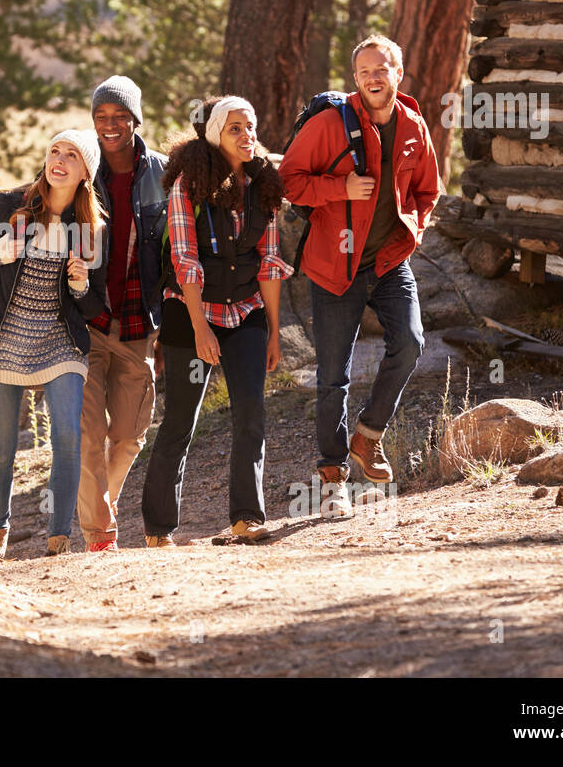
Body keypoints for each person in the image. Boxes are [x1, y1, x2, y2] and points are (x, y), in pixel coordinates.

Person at [279, 34, 441, 518]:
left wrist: (411, 229)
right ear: (356, 79)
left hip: (388, 262)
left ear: (399, 72)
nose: (374, 77)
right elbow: (289, 180)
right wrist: (340, 188)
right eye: (365, 71)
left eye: (382, 68)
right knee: (332, 378)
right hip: (335, 265)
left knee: (410, 343)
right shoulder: (332, 123)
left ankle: (367, 437)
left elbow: (428, 189)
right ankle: (331, 475)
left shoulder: (413, 125)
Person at [141, 95, 291, 547]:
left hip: (244, 312)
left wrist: (272, 332)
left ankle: (247, 517)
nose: (247, 137)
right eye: (235, 129)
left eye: (251, 127)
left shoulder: (264, 185)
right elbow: (185, 260)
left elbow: (268, 261)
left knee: (251, 412)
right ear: (215, 136)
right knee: (181, 420)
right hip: (190, 312)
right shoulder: (188, 184)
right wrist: (201, 329)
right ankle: (158, 528)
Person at [0, 130, 107, 559]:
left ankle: (59, 538)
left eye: (71, 155)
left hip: (59, 341)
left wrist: (80, 284)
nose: (59, 160)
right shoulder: (11, 206)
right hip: (3, 337)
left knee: (67, 436)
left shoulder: (89, 227)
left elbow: (95, 306)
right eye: (55, 151)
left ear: (85, 172)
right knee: (0, 449)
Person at [79, 75, 168, 552]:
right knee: (89, 434)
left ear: (135, 120)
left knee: (130, 435)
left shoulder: (164, 173)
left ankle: (102, 506)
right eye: (101, 117)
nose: (109, 125)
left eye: (119, 116)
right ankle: (99, 533)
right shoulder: (80, 171)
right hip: (86, 323)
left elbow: (179, 242)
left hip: (138, 322)